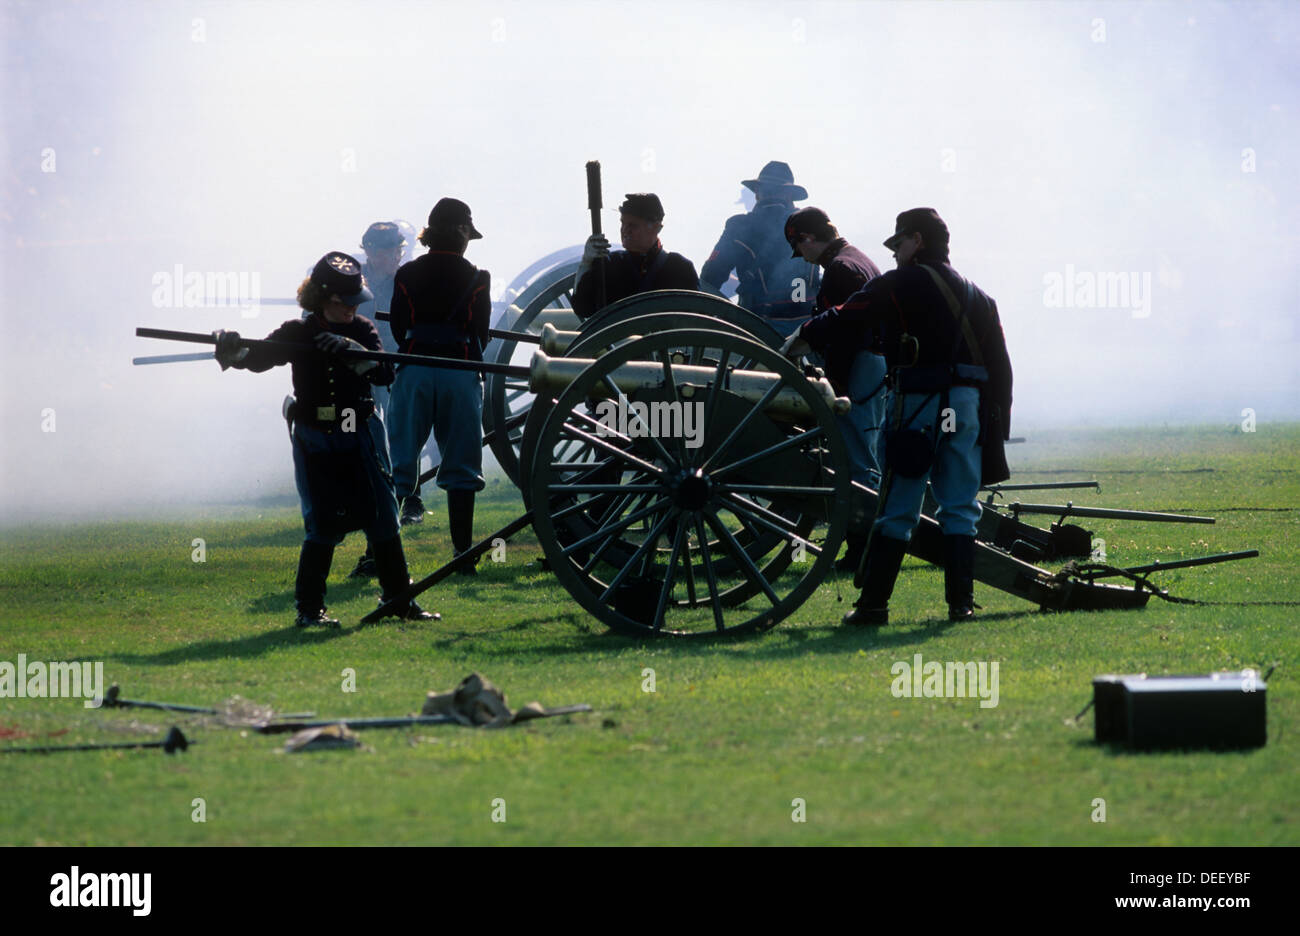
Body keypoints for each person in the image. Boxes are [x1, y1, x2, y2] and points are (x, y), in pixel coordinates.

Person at [791, 209, 1012, 627]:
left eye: (898, 245)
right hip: (967, 407)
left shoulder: (903, 282)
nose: (894, 254)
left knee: (899, 504)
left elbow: (850, 313)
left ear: (917, 241)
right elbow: (1001, 370)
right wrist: (997, 428)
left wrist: (804, 335)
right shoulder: (980, 296)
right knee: (961, 506)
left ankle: (874, 605)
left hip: (921, 404)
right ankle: (959, 605)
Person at [212, 251, 437, 627]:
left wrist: (356, 354)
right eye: (343, 302)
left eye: (353, 301)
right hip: (315, 434)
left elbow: (384, 375)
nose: (351, 308)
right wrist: (233, 348)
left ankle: (398, 601)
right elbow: (258, 357)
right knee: (321, 524)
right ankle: (309, 610)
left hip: (355, 426)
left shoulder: (363, 330)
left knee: (382, 516)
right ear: (324, 299)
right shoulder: (298, 333)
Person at [387, 198, 491, 572]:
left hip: (414, 365)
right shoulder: (479, 277)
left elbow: (399, 327)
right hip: (459, 369)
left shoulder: (407, 274)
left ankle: (379, 553)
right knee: (462, 465)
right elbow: (481, 332)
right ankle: (462, 556)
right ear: (461, 233)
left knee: (401, 461)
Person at [782, 206, 885, 572]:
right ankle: (868, 543)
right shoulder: (856, 259)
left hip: (857, 366)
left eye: (800, 248)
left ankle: (863, 549)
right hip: (868, 364)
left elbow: (846, 333)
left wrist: (834, 387)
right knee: (865, 454)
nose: (802, 257)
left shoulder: (840, 269)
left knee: (857, 460)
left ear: (807, 239)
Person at [699, 160, 820, 336]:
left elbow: (711, 277)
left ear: (757, 193)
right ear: (789, 195)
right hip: (808, 329)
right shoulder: (811, 225)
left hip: (759, 327)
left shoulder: (740, 227)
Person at [572, 193, 699, 320]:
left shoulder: (680, 268)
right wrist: (587, 261)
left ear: (655, 227)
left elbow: (695, 318)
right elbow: (582, 308)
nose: (624, 230)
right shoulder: (609, 265)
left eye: (632, 225)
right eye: (623, 223)